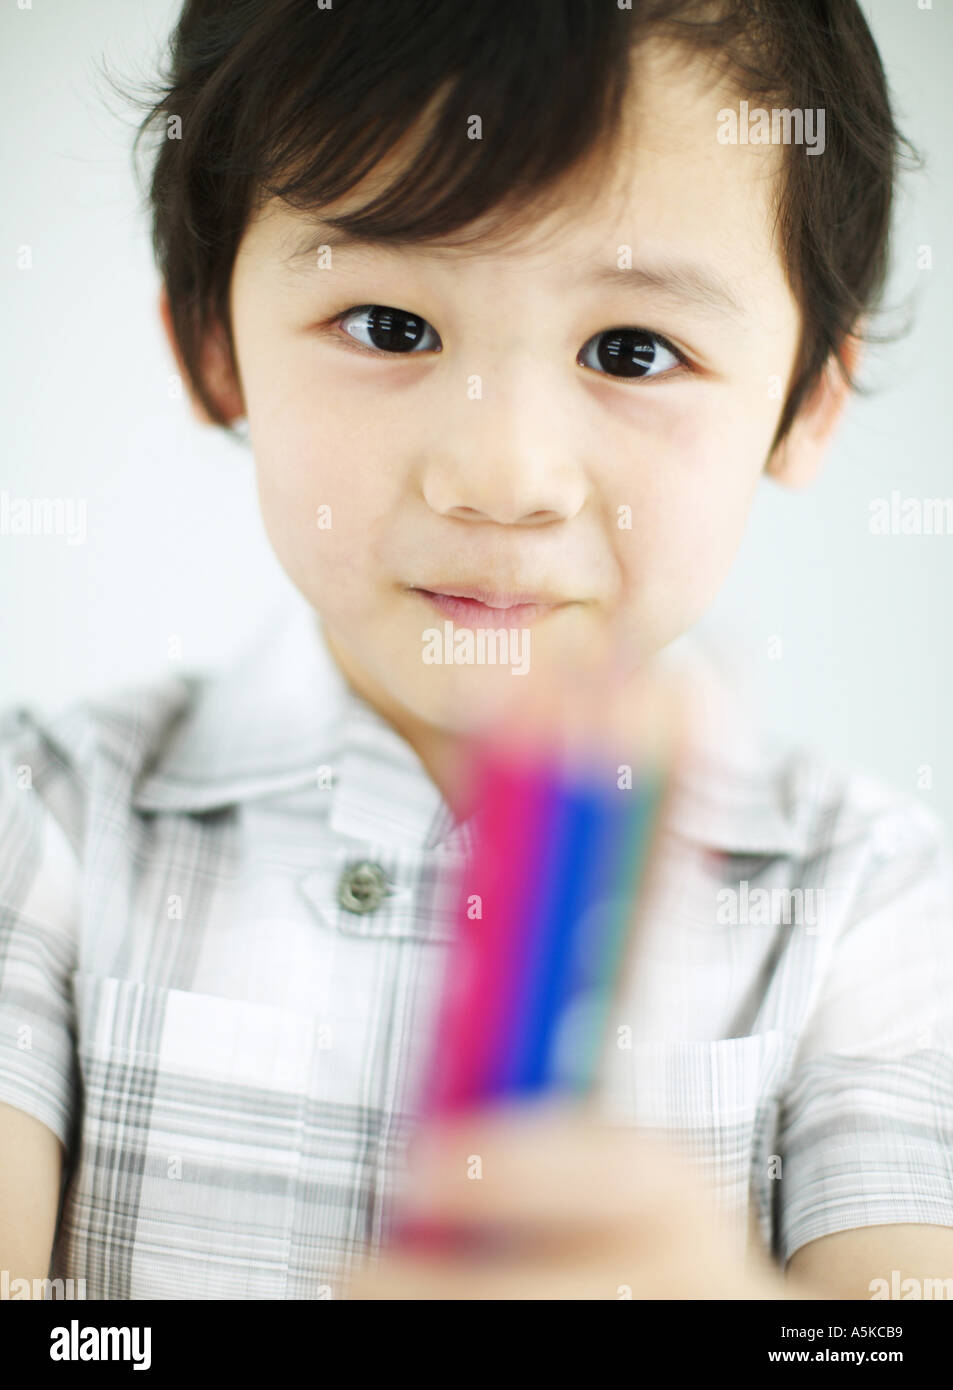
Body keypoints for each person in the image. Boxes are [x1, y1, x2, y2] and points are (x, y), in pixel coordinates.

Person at [1, 0, 951, 1301]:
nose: (501, 474)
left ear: (803, 405)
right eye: (390, 326)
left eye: (631, 350)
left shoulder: (874, 910)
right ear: (211, 344)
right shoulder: (40, 823)